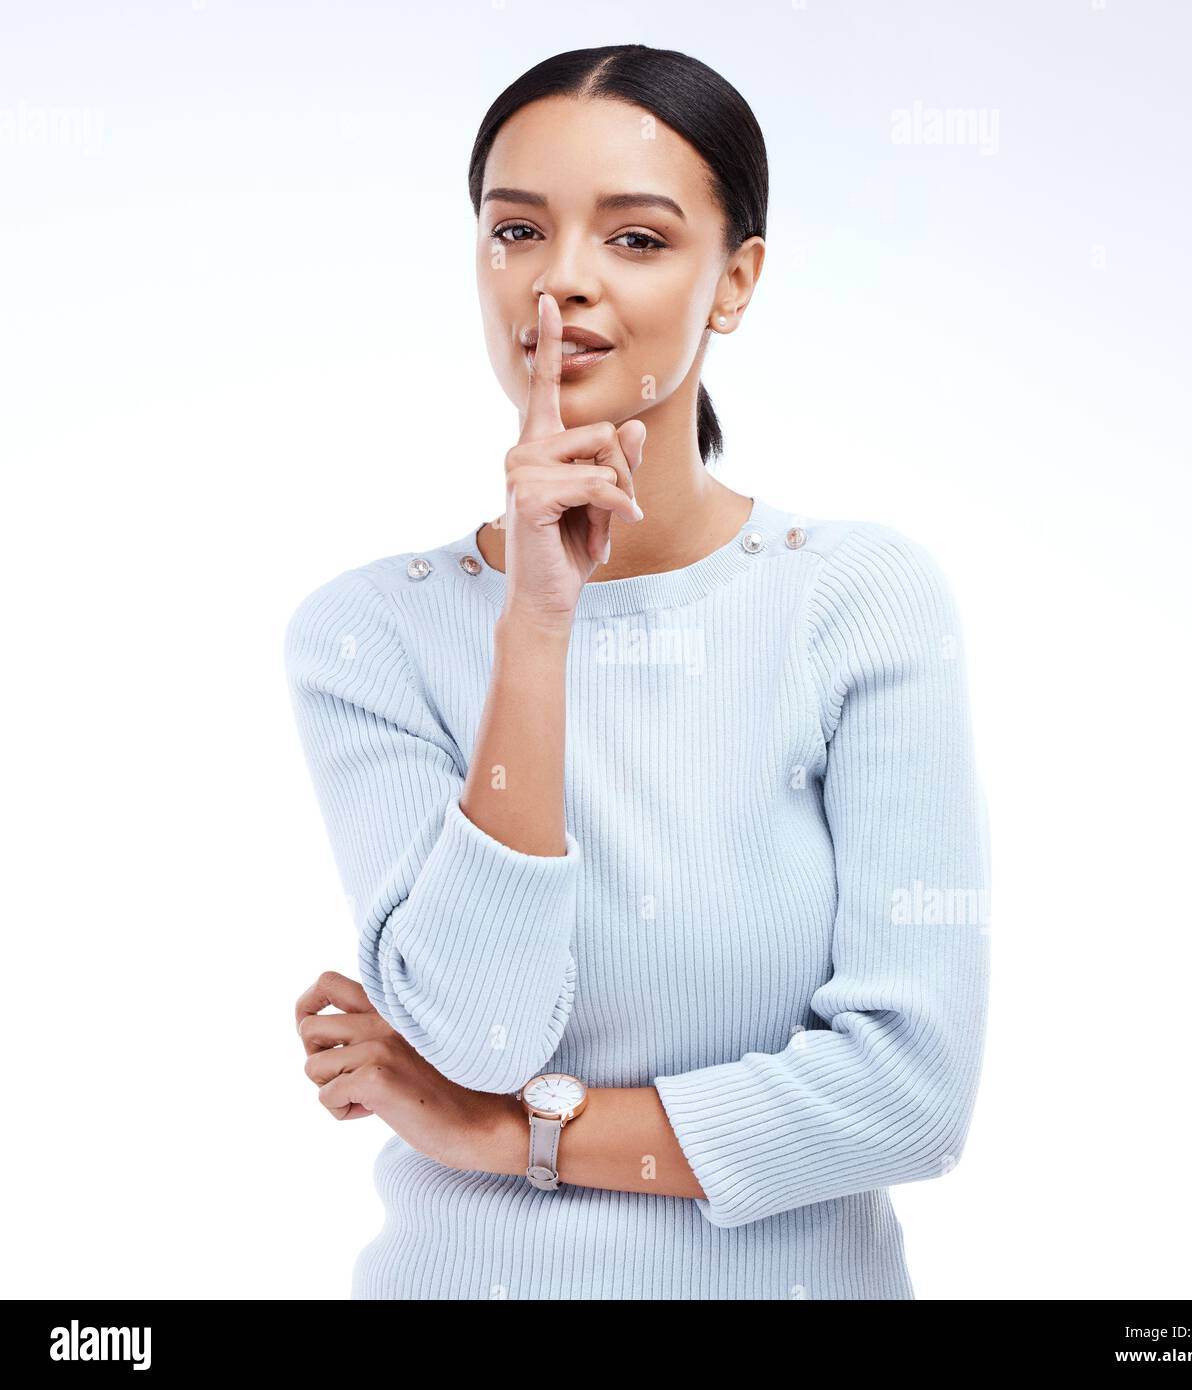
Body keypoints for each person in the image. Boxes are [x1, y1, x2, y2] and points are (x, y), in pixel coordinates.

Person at [286, 43, 991, 1301]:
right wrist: (536, 627)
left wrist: (517, 1133)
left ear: (736, 282)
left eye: (636, 239)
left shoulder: (854, 601)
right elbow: (477, 1030)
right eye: (516, 231)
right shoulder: (369, 636)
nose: (560, 283)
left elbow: (906, 1095)